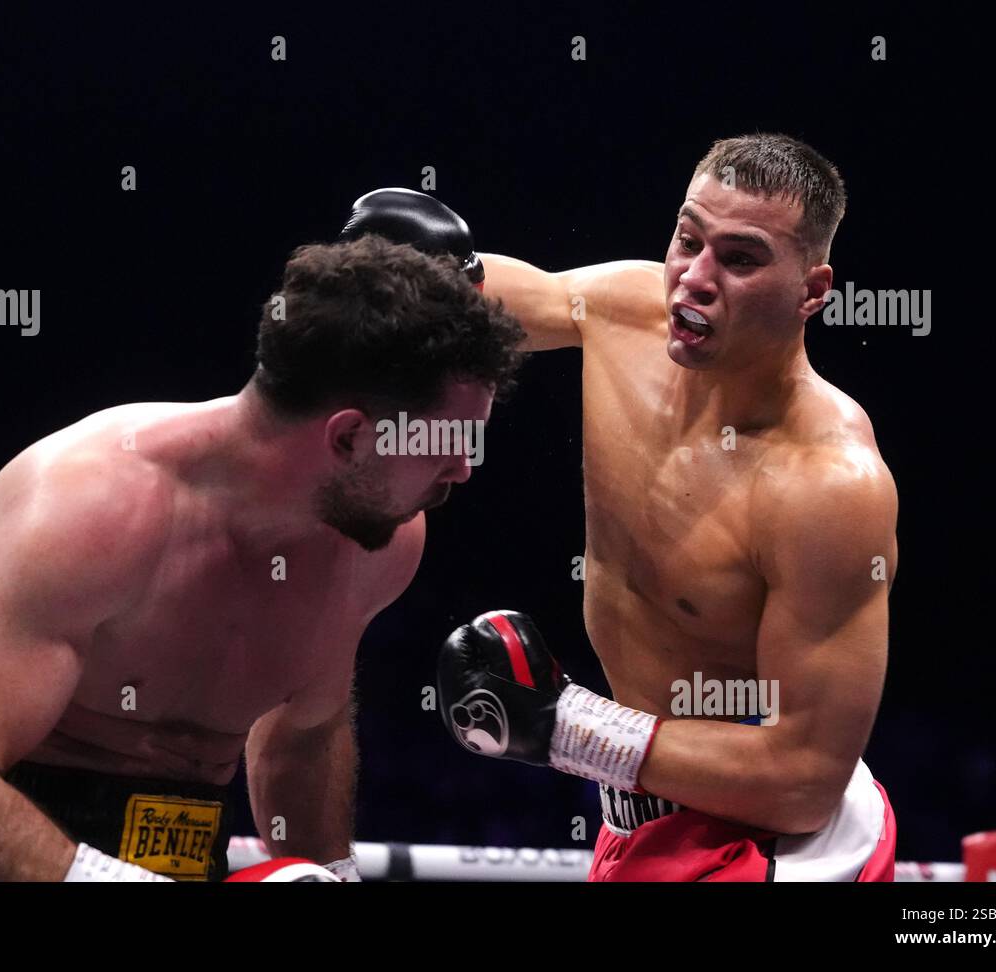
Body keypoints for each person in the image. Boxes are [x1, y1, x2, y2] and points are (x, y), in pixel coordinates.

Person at [0, 234, 524, 881]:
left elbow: (302, 739)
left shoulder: (379, 543)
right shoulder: (92, 510)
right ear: (349, 436)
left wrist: (331, 875)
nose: (464, 469)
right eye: (448, 439)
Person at [351, 133, 899, 881]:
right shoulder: (630, 312)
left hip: (774, 844)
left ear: (812, 290)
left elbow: (803, 780)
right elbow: (531, 295)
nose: (694, 279)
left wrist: (564, 726)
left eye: (740, 259)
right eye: (688, 238)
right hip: (640, 813)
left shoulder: (829, 486)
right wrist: (424, 273)